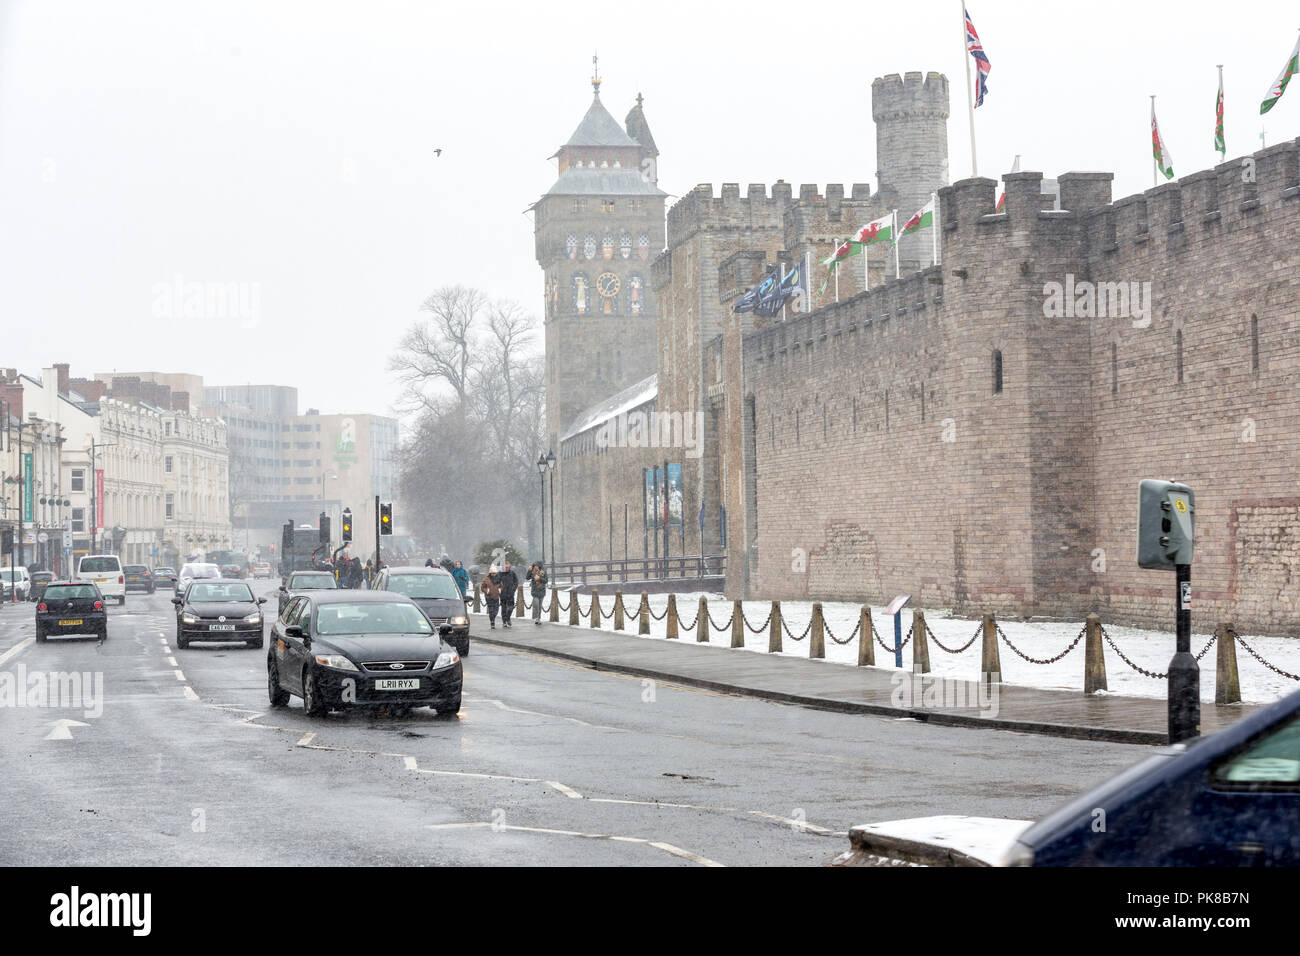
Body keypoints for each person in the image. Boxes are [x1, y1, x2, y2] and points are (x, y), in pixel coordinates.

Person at [481, 565, 503, 629]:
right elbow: (482, 587)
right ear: (490, 573)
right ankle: (492, 622)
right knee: (491, 610)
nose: (493, 574)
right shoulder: (486, 579)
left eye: (494, 573)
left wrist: (500, 589)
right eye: (492, 573)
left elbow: (501, 586)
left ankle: (493, 618)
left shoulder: (498, 579)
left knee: (496, 610)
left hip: (496, 596)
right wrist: (486, 590)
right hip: (489, 597)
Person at [498, 560, 518, 628]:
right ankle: (504, 622)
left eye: (507, 566)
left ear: (509, 566)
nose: (506, 567)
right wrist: (499, 586)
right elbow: (496, 581)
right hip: (503, 594)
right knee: (503, 609)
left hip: (510, 593)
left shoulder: (512, 573)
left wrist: (514, 589)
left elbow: (516, 581)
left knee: (511, 608)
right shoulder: (500, 573)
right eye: (505, 566)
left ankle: (508, 618)